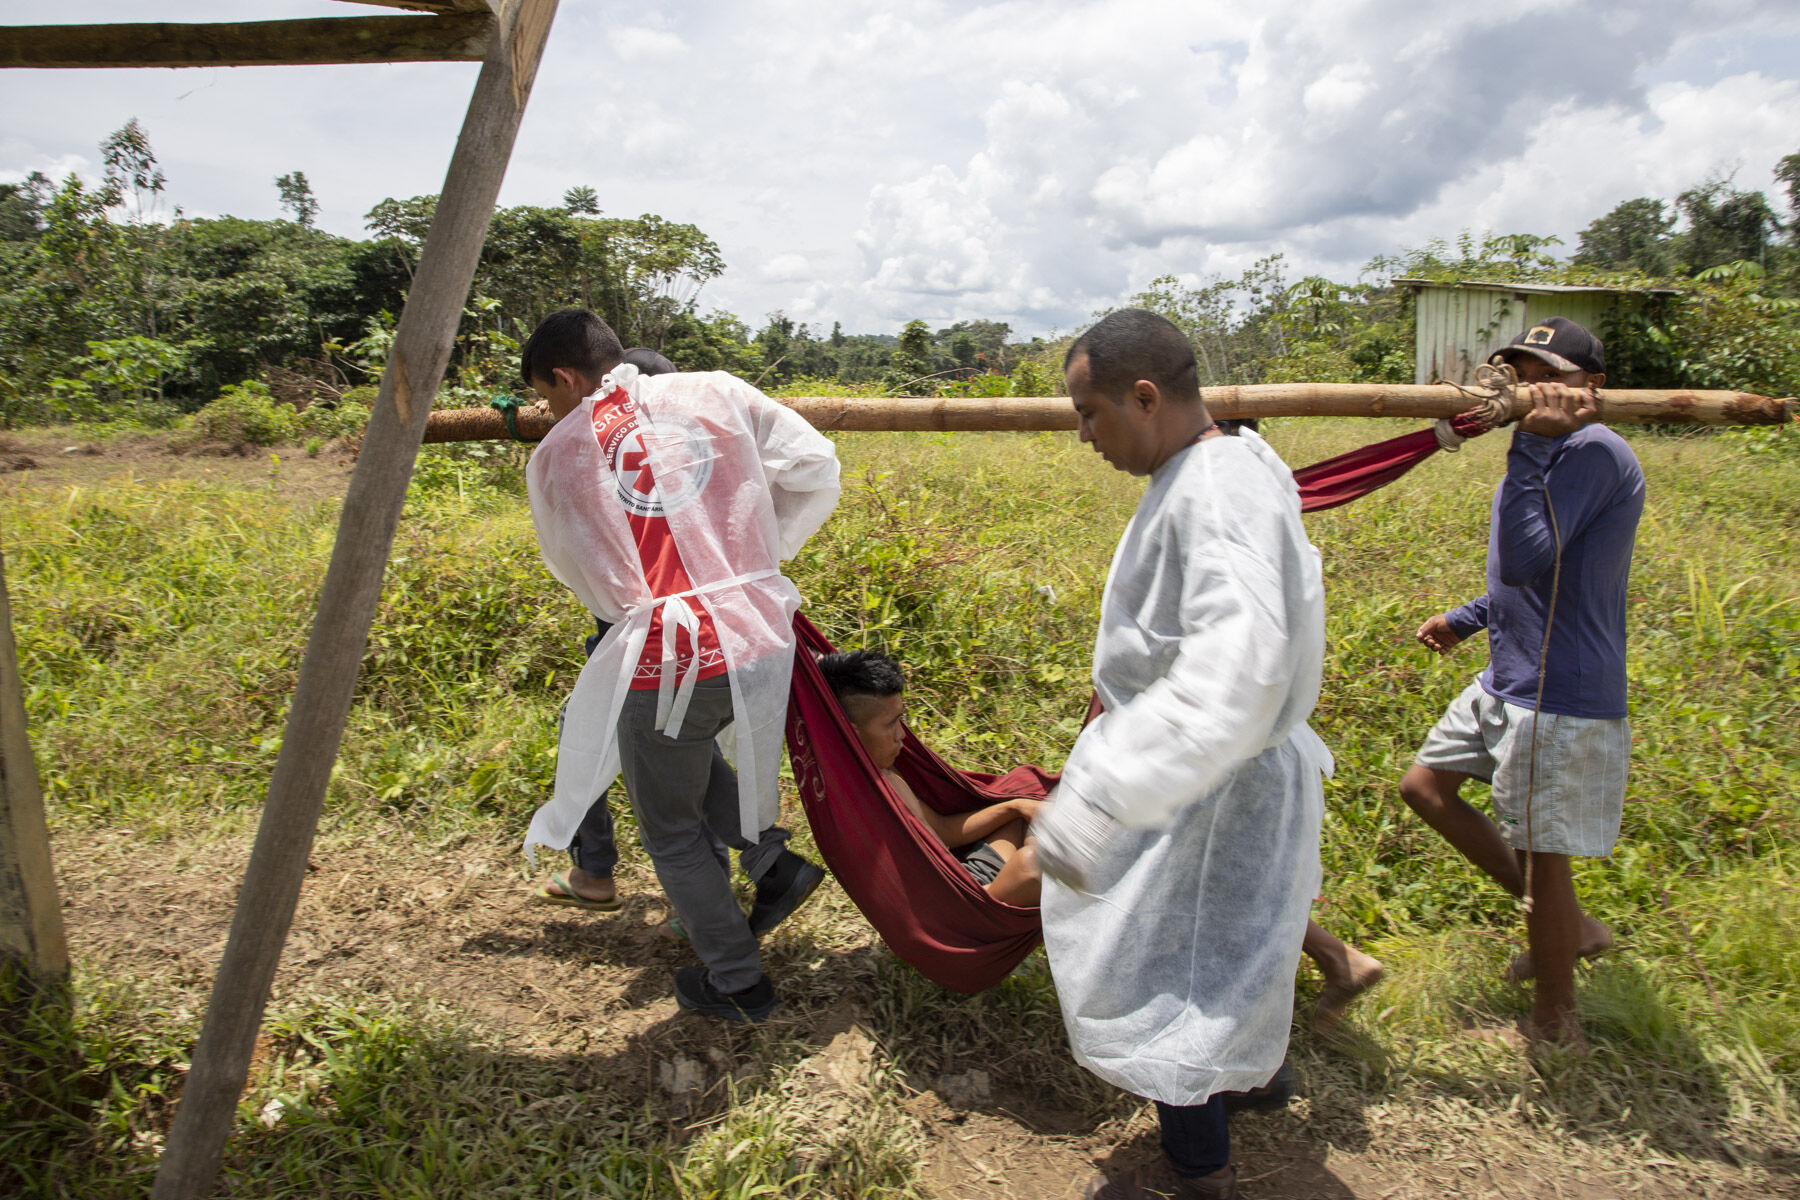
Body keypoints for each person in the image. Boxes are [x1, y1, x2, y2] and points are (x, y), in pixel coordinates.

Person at [1031, 309, 1333, 1200]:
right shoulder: (1225, 467)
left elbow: (1232, 668)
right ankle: (1257, 1079)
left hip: (1207, 782)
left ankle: (1201, 1173)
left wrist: (1101, 795)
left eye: (1090, 413)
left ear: (1146, 395)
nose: (1085, 435)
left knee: (1172, 964)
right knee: (1233, 948)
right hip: (1212, 774)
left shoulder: (1215, 489)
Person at [519, 308, 841, 1022]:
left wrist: (667, 598)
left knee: (670, 830)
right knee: (685, 765)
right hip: (759, 636)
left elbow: (584, 576)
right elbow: (814, 464)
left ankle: (737, 981)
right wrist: (752, 560)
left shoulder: (560, 452)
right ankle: (771, 864)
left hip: (668, 658)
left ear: (569, 378)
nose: (550, 410)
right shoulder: (717, 390)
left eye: (548, 395)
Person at [1401, 316, 1643, 1050]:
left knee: (1545, 860)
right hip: (1511, 673)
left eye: (1549, 373)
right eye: (1519, 370)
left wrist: (1531, 445)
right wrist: (1469, 618)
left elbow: (1526, 557)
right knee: (1425, 788)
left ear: (1589, 387)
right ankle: (1571, 931)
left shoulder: (1591, 450)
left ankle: (1554, 1021)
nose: (1530, 385)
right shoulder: (1555, 449)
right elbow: (1529, 576)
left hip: (1557, 693)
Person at [533, 346, 781, 914]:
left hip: (648, 643)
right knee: (689, 758)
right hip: (735, 634)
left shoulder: (593, 449)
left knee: (630, 758)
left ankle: (608, 874)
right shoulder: (708, 449)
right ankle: (760, 865)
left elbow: (587, 563)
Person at [819, 649, 1042, 906]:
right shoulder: (855, 798)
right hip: (958, 910)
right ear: (851, 731)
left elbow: (944, 831)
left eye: (901, 719)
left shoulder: (891, 777)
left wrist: (1016, 807)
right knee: (1035, 864)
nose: (901, 735)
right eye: (891, 723)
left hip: (971, 883)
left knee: (1028, 811)